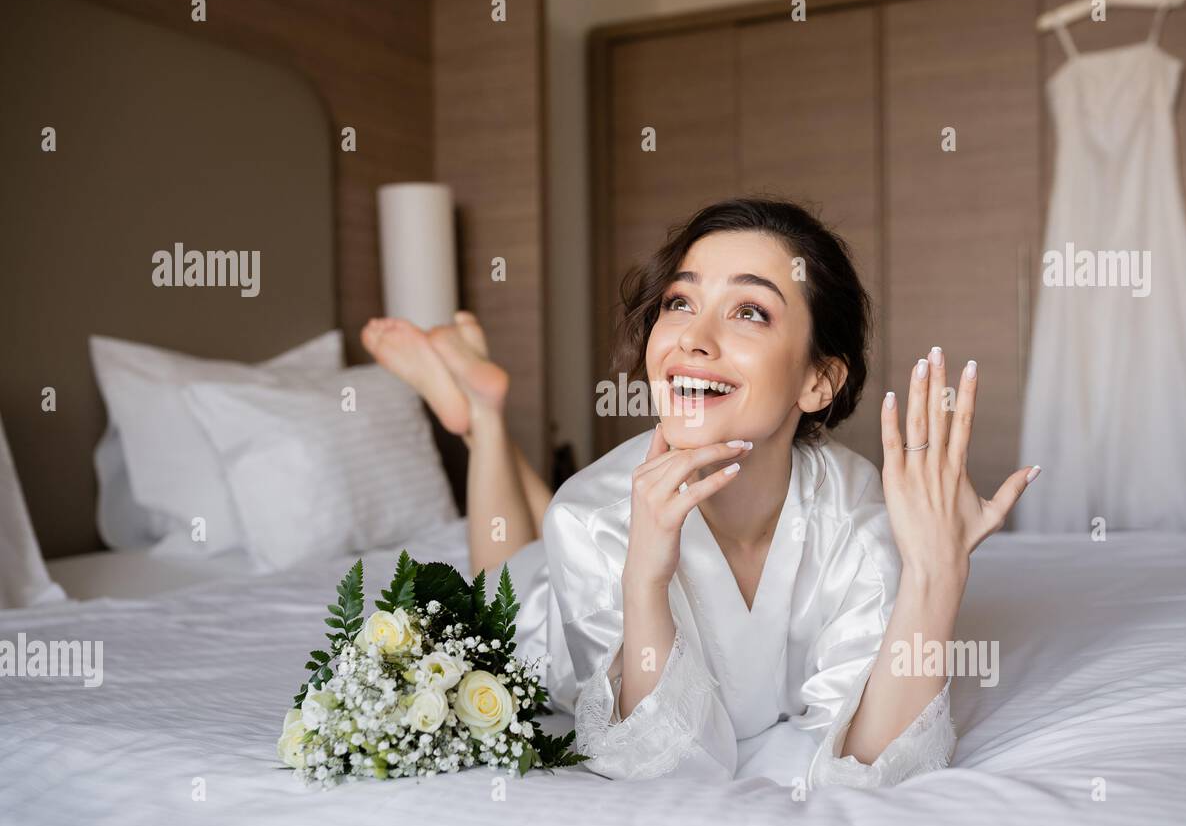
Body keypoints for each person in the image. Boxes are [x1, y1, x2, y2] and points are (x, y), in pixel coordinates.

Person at [362, 197, 1039, 788]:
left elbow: (871, 759)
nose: (694, 337)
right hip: (566, 599)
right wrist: (646, 574)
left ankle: (479, 402)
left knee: (549, 532)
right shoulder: (592, 518)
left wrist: (938, 572)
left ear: (819, 381)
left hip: (600, 513)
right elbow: (660, 766)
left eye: (749, 312)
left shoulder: (860, 513)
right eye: (680, 302)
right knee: (506, 575)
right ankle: (482, 418)